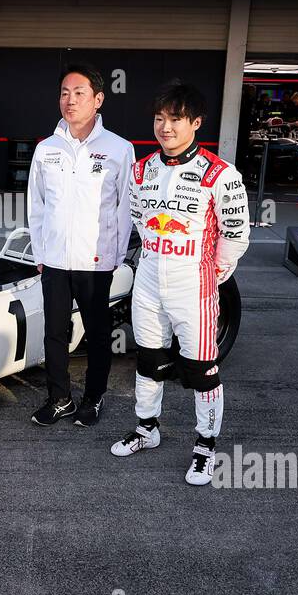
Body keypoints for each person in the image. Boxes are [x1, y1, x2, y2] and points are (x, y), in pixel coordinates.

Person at [112, 81, 250, 486]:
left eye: (175, 119)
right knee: (149, 361)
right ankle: (146, 429)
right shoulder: (141, 169)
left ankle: (205, 448)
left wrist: (212, 274)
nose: (165, 127)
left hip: (196, 283)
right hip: (150, 277)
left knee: (201, 369)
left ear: (196, 123)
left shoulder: (221, 174)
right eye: (159, 118)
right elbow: (138, 217)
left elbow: (236, 234)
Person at [26, 63, 135, 428]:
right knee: (54, 334)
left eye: (79, 93)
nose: (70, 101)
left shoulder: (119, 149)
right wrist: (41, 254)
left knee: (98, 334)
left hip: (95, 262)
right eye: (64, 93)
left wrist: (114, 256)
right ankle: (59, 399)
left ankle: (93, 397)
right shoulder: (46, 149)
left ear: (98, 99)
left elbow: (125, 207)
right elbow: (36, 206)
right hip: (55, 260)